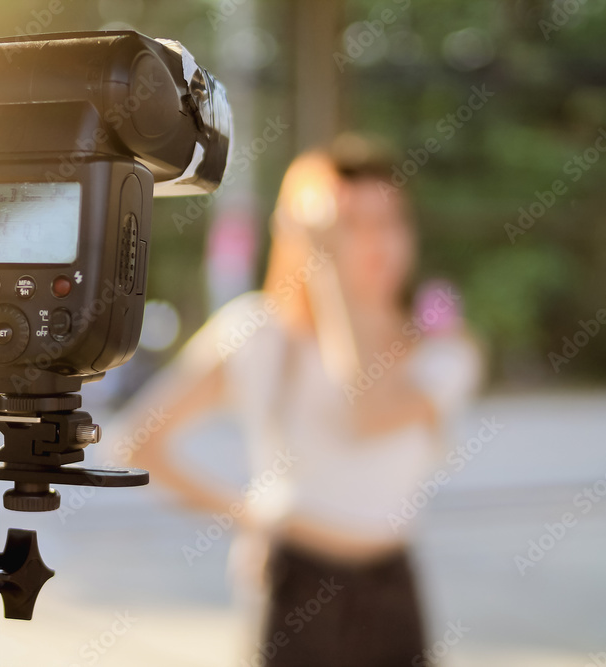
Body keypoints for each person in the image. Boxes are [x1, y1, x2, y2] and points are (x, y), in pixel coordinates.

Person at [109, 135, 483, 666]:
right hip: (294, 584)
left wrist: (332, 278)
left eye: (390, 220)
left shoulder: (439, 347)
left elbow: (368, 411)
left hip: (392, 585)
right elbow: (137, 442)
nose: (377, 241)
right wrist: (249, 516)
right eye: (349, 224)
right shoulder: (259, 333)